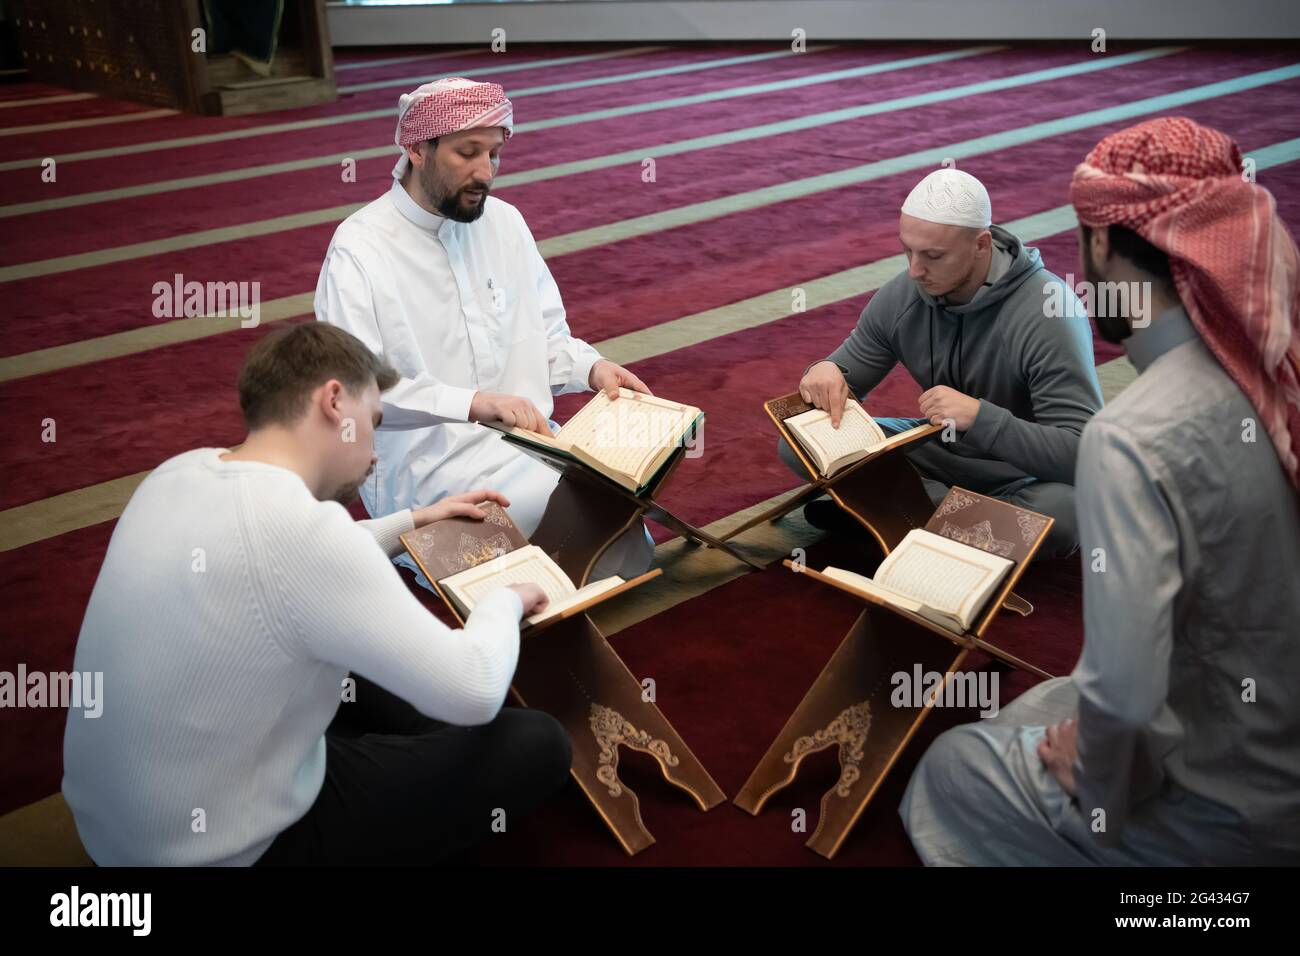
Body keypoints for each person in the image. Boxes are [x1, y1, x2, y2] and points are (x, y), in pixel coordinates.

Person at [900, 117, 1300, 865]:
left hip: (1232, 810)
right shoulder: (1282, 366)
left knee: (952, 768)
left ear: (1106, 245)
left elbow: (1125, 699)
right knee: (1049, 701)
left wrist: (1093, 779)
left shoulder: (1135, 436)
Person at [62, 323, 571, 866]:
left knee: (335, 644)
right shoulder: (305, 532)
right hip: (228, 853)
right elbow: (473, 689)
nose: (374, 453)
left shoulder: (175, 473)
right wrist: (505, 600)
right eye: (373, 423)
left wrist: (412, 522)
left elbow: (275, 565)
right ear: (333, 401)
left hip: (112, 829)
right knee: (537, 744)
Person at [315, 76, 654, 584]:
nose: (484, 173)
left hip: (530, 447)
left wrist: (593, 368)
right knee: (556, 544)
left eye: (493, 154)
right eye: (467, 153)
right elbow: (359, 394)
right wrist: (474, 403)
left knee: (626, 539)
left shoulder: (505, 223)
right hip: (428, 474)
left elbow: (546, 338)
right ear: (416, 149)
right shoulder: (358, 250)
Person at [786, 168, 1102, 557]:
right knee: (799, 441)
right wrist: (825, 372)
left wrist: (981, 418)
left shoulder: (1049, 313)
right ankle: (939, 527)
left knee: (1065, 516)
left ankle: (891, 516)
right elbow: (847, 375)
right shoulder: (906, 292)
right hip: (935, 452)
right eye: (908, 251)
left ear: (981, 245)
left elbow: (1082, 455)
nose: (915, 270)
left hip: (1020, 476)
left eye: (934, 256)